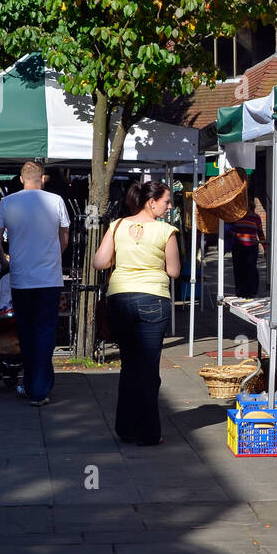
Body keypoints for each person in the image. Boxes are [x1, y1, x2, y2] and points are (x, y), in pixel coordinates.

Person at [92, 180, 180, 446]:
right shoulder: (166, 231)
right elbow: (174, 271)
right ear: (151, 202)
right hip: (153, 299)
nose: (170, 206)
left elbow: (99, 262)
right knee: (148, 368)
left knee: (129, 364)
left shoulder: (117, 226)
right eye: (167, 201)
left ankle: (126, 428)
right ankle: (149, 432)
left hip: (119, 299)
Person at [0, 160, 70, 407]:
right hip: (49, 277)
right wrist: (53, 256)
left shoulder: (7, 202)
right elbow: (64, 237)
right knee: (46, 331)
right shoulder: (56, 201)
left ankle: (35, 384)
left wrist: (5, 263)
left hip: (21, 277)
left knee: (26, 331)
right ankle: (40, 386)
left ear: (21, 178)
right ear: (43, 178)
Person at [226, 208, 266, 298]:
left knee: (251, 269)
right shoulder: (236, 215)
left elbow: (260, 233)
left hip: (252, 247)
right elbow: (229, 229)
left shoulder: (256, 217)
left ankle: (252, 291)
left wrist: (265, 248)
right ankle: (240, 291)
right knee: (239, 269)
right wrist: (235, 234)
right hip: (238, 246)